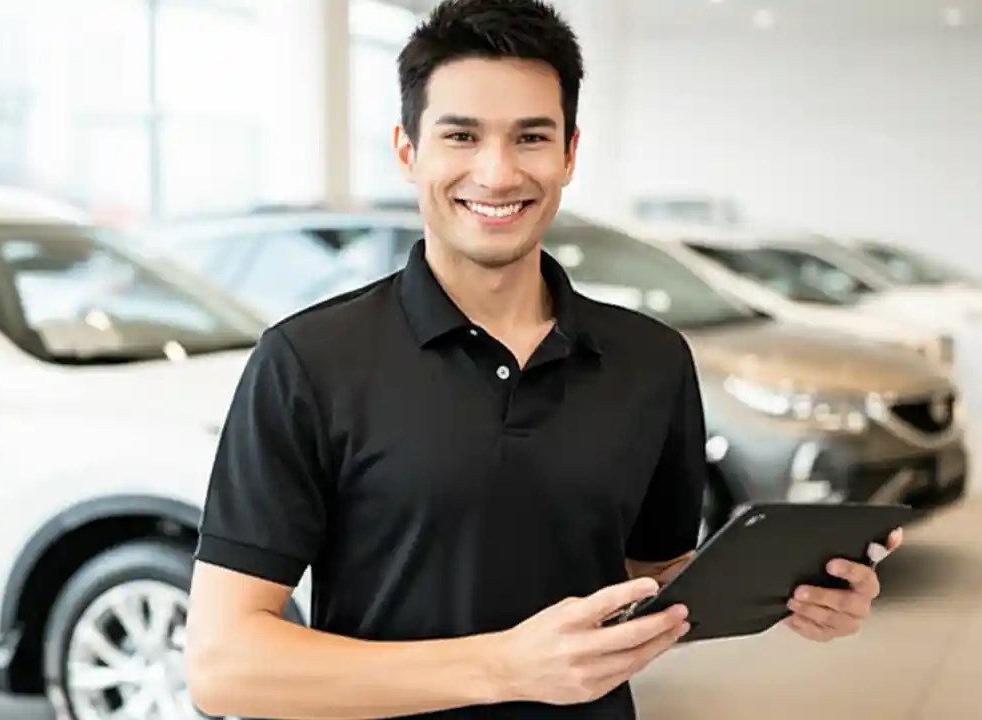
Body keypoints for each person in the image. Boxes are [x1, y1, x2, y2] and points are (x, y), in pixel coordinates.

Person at [184, 0, 902, 717]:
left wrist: (785, 590)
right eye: (461, 136)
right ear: (409, 152)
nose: (496, 174)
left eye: (530, 137)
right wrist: (503, 667)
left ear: (568, 154)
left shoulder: (650, 361)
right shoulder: (308, 361)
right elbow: (225, 665)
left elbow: (648, 583)